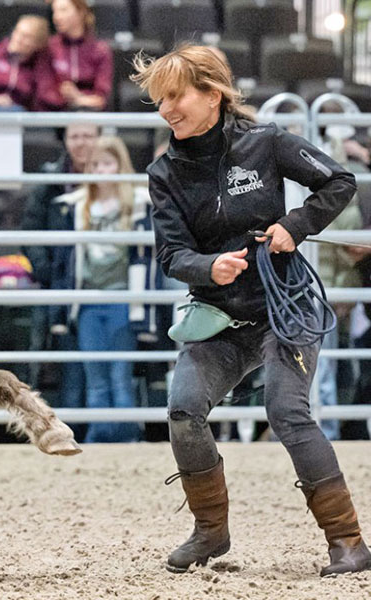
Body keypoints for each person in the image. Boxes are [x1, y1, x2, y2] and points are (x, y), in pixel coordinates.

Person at [132, 44, 371, 576]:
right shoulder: (163, 172)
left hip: (285, 307)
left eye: (175, 97)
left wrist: (295, 225)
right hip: (218, 319)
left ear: (212, 94)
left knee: (286, 411)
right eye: (159, 101)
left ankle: (348, 541)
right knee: (183, 410)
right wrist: (207, 267)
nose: (166, 110)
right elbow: (171, 255)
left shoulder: (267, 142)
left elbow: (339, 181)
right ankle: (210, 532)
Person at [53, 136, 147, 443]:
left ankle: (125, 436)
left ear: (120, 166)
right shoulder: (76, 205)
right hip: (88, 301)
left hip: (124, 298)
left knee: (120, 374)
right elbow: (65, 261)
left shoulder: (138, 203)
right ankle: (99, 437)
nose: (101, 171)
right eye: (95, 164)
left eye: (108, 163)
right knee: (94, 376)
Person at [21, 122, 98, 434]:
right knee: (57, 359)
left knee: (95, 362)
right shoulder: (50, 181)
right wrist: (46, 271)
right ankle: (51, 428)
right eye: (75, 136)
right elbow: (30, 229)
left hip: (100, 283)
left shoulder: (112, 174)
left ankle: (96, 429)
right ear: (65, 141)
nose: (81, 142)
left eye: (87, 135)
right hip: (58, 284)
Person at [35, 0, 113, 111]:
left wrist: (79, 98)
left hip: (88, 113)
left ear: (81, 12)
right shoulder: (49, 47)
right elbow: (43, 92)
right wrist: (69, 100)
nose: (56, 17)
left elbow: (101, 97)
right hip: (54, 113)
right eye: (54, 11)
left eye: (63, 10)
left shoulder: (100, 50)